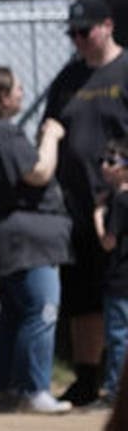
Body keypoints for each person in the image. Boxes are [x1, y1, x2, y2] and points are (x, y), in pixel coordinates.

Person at [0, 69, 70, 413]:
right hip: (25, 240)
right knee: (41, 309)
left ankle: (8, 386)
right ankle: (33, 389)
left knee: (15, 313)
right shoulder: (3, 132)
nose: (23, 93)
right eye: (18, 89)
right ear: (2, 97)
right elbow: (38, 172)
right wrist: (50, 136)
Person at [43, 0, 128, 406]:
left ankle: (119, 381)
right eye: (72, 33)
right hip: (76, 206)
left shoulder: (125, 70)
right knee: (82, 297)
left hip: (120, 207)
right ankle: (87, 377)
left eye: (85, 31)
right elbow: (52, 125)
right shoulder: (69, 78)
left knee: (121, 295)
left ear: (107, 25)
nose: (77, 39)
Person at [96, 140, 128, 406]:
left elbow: (108, 242)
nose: (104, 166)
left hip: (120, 280)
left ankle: (114, 392)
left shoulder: (118, 200)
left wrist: (97, 215)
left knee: (118, 336)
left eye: (112, 162)